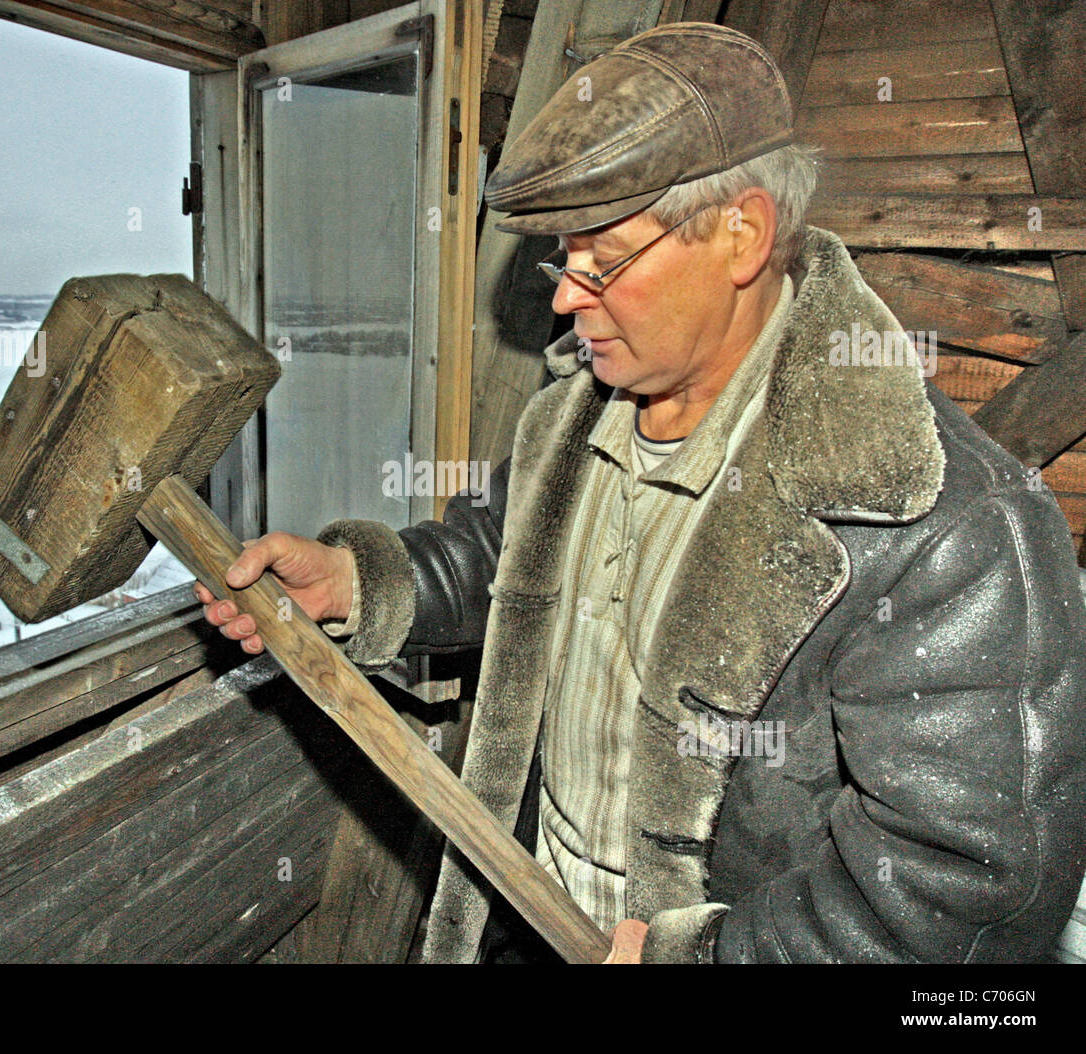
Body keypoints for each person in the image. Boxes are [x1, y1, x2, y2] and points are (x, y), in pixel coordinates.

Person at [195, 22, 1086, 963]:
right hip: (523, 918)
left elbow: (964, 899)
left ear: (741, 235)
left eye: (603, 259)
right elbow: (505, 562)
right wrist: (355, 580)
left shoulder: (947, 526)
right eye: (563, 261)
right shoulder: (578, 414)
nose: (568, 300)